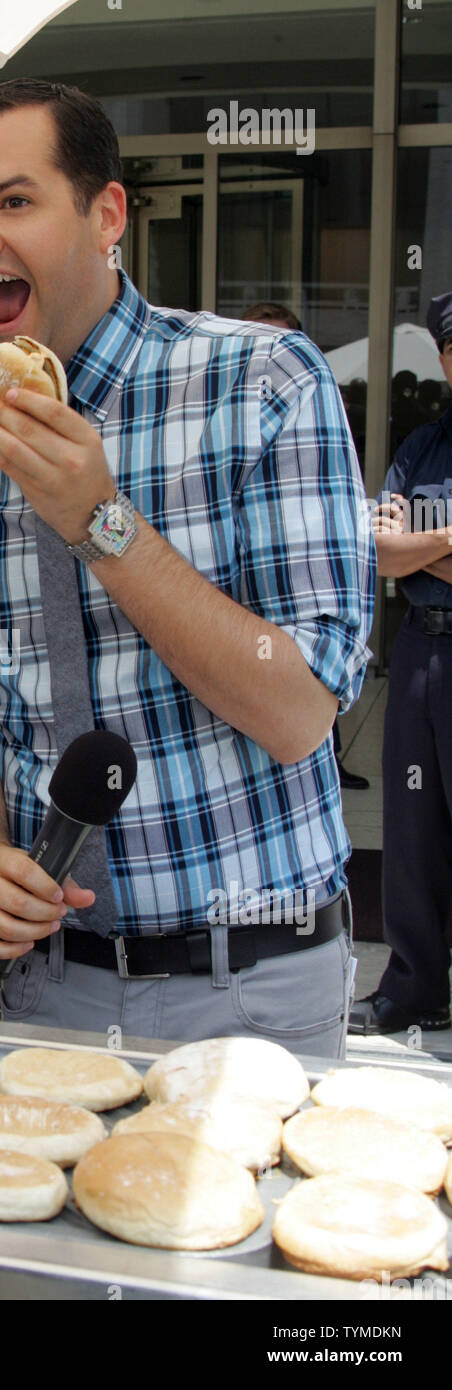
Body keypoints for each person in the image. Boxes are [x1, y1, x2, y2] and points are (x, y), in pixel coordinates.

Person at [0, 79, 374, 1055]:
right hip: (44, 990)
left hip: (251, 984)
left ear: (106, 215)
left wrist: (101, 521)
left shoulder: (262, 381)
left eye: (14, 199)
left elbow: (298, 710)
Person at [348, 291, 452, 1035]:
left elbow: (405, 544)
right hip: (420, 648)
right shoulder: (425, 445)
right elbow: (380, 550)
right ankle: (413, 989)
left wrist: (429, 541)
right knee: (414, 828)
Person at [240, 304, 369, 792]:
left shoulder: (313, 423)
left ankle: (331, 758)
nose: (270, 369)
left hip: (292, 676)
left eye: (282, 351)